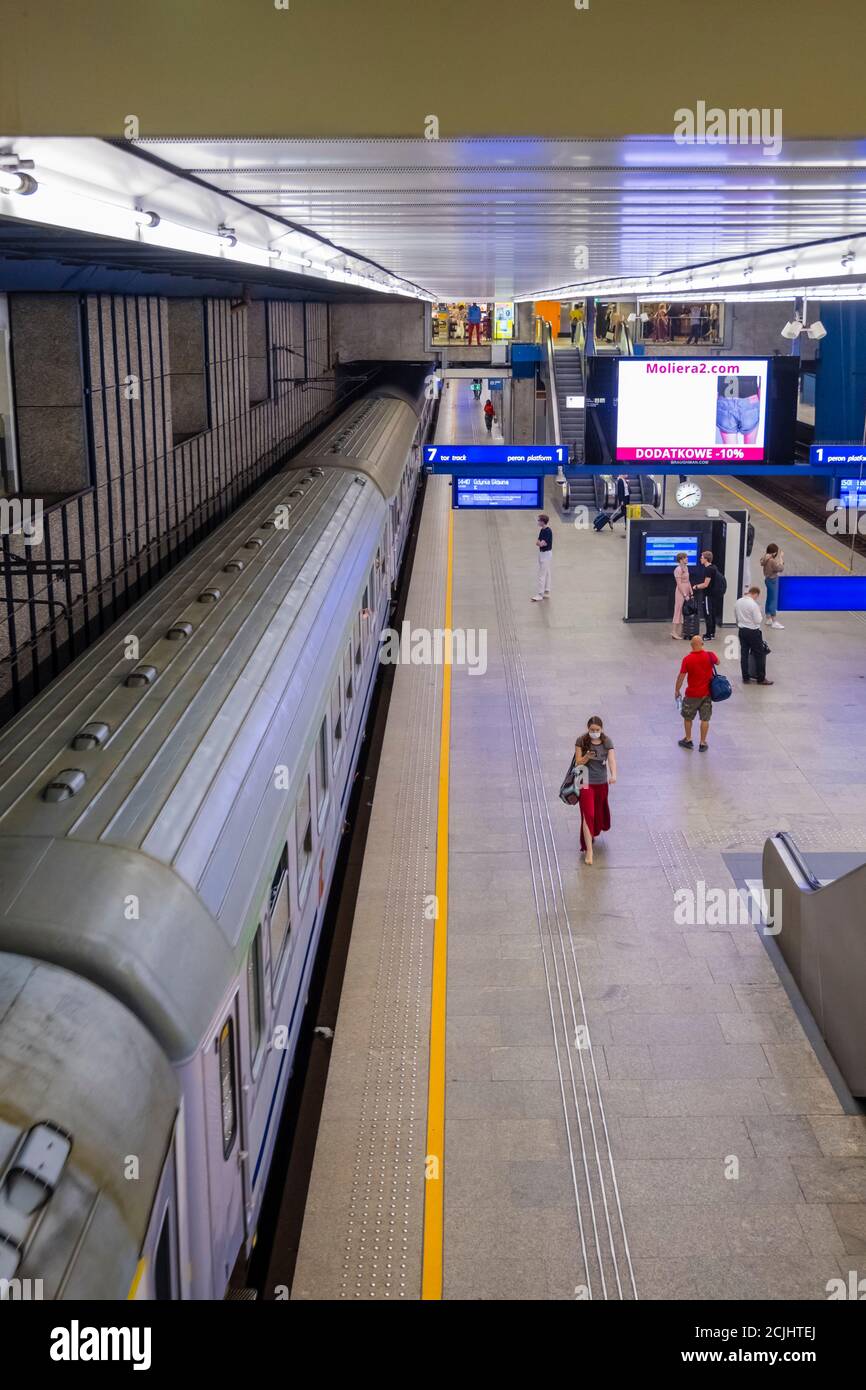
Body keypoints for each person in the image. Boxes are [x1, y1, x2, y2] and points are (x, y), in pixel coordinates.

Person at [573, 715, 616, 865]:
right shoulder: (581, 741)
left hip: (601, 783)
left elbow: (611, 759)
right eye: (592, 730)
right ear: (588, 728)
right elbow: (578, 762)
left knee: (597, 813)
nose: (594, 732)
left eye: (597, 730)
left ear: (601, 729)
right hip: (585, 781)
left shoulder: (607, 741)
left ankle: (591, 836)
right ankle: (589, 850)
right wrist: (587, 757)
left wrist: (613, 775)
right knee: (588, 814)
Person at [675, 634, 720, 752]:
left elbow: (681, 676)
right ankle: (703, 742)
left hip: (691, 695)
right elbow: (718, 662)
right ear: (702, 644)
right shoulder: (710, 655)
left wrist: (677, 690)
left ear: (691, 646)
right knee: (705, 719)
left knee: (688, 717)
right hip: (706, 694)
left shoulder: (687, 659)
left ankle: (688, 739)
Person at [735, 585, 774, 685]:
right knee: (759, 654)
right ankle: (761, 678)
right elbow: (758, 620)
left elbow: (736, 615)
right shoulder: (753, 605)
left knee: (744, 654)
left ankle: (745, 677)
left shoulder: (738, 601)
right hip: (753, 632)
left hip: (742, 630)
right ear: (755, 594)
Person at [693, 549, 721, 640]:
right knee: (712, 613)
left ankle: (708, 634)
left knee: (708, 613)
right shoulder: (714, 567)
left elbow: (706, 584)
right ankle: (712, 633)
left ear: (706, 559)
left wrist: (696, 587)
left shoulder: (708, 570)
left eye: (701, 557)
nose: (700, 559)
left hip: (708, 595)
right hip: (714, 595)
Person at [760, 542, 785, 629]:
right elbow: (780, 568)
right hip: (772, 580)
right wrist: (781, 558)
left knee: (769, 598)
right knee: (773, 600)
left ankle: (768, 617)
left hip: (767, 580)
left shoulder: (765, 558)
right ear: (774, 552)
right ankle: (774, 620)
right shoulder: (772, 561)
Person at [671, 551, 694, 640]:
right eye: (685, 558)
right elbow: (679, 584)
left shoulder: (686, 568)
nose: (687, 559)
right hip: (681, 592)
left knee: (684, 612)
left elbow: (688, 581)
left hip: (687, 590)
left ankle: (681, 632)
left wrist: (691, 592)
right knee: (678, 611)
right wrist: (684, 594)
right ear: (680, 560)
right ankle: (674, 632)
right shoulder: (678, 569)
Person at [532, 512, 553, 601]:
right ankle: (547, 590)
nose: (538, 522)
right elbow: (538, 542)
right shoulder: (542, 530)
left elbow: (542, 544)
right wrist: (539, 543)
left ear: (543, 522)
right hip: (543, 553)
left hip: (546, 554)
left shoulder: (548, 531)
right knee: (547, 572)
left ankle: (540, 594)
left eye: (539, 520)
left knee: (542, 574)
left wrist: (540, 543)